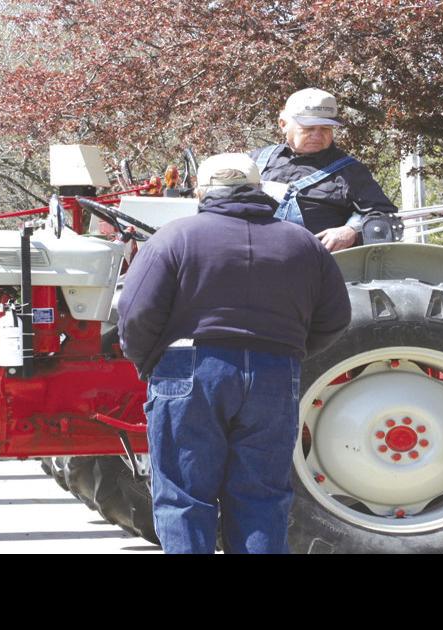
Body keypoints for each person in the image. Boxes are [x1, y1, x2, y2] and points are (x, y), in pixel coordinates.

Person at [117, 153, 351, 554]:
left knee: (184, 497)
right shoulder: (303, 244)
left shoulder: (174, 238)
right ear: (259, 189)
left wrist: (149, 363)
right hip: (274, 372)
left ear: (201, 191)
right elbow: (336, 317)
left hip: (188, 368)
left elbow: (135, 314)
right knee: (262, 496)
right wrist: (289, 352)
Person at [251, 87, 399, 252]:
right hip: (256, 263)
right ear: (283, 124)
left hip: (316, 268)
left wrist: (352, 231)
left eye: (325, 129)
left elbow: (386, 217)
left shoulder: (350, 172)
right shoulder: (255, 161)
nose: (317, 135)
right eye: (308, 128)